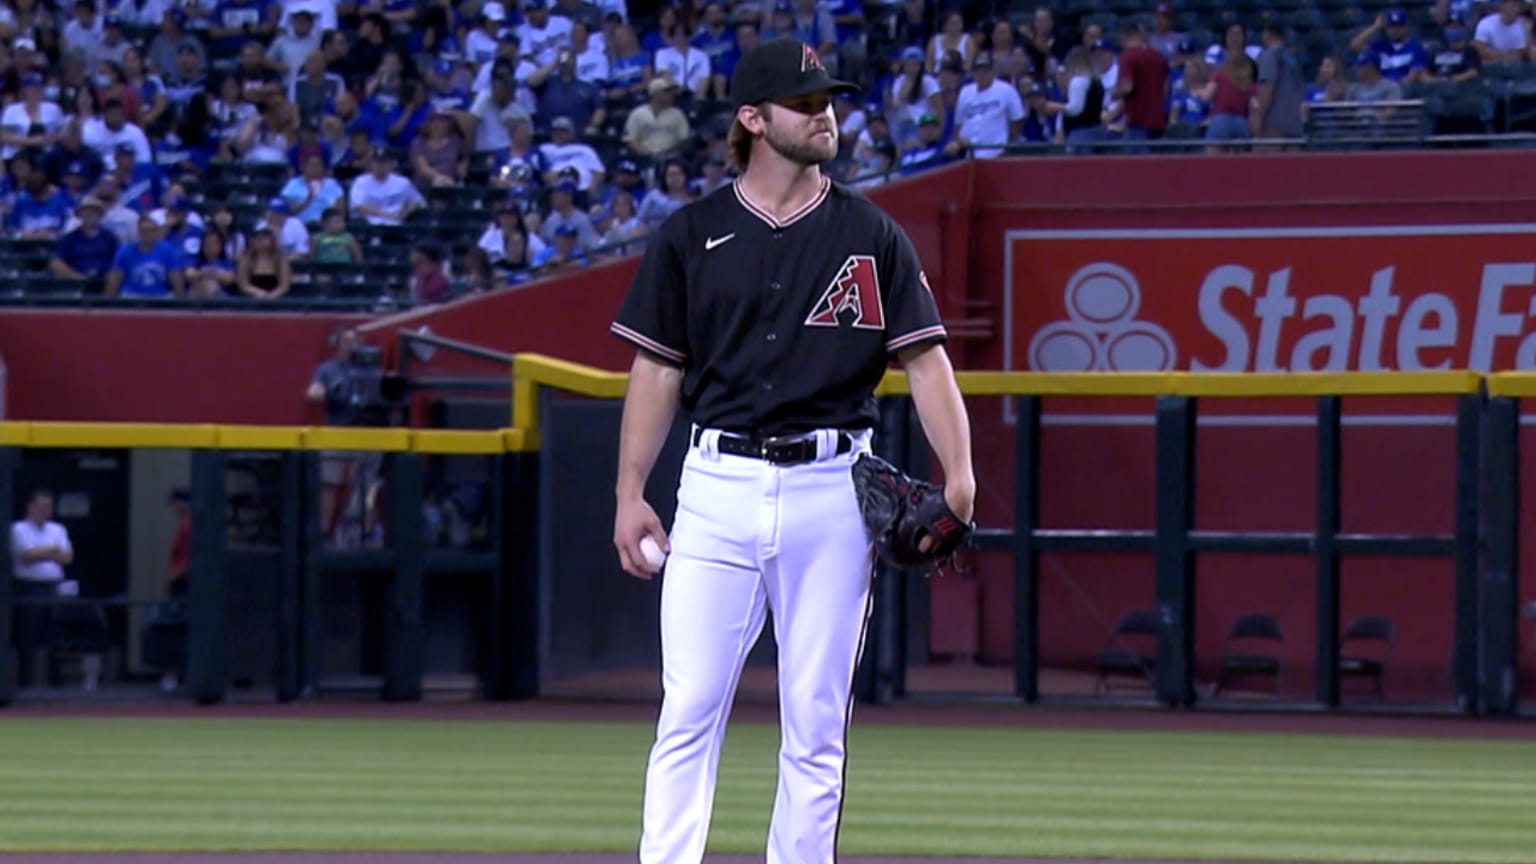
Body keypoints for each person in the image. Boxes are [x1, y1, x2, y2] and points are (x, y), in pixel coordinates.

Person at [610, 36, 975, 864]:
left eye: (828, 102)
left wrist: (962, 481)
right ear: (753, 118)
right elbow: (655, 369)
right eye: (805, 103)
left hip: (831, 490)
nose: (825, 116)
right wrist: (631, 492)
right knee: (689, 709)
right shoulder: (692, 232)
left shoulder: (872, 233)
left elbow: (926, 361)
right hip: (715, 484)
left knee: (815, 721)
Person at [10, 489, 75, 690]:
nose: (46, 511)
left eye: (49, 506)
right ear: (30, 507)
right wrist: (52, 550)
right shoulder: (17, 529)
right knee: (28, 636)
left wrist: (44, 553)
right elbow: (26, 556)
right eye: (42, 506)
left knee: (56, 636)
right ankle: (25, 683)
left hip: (54, 587)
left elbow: (67, 558)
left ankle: (57, 683)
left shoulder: (58, 529)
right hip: (29, 588)